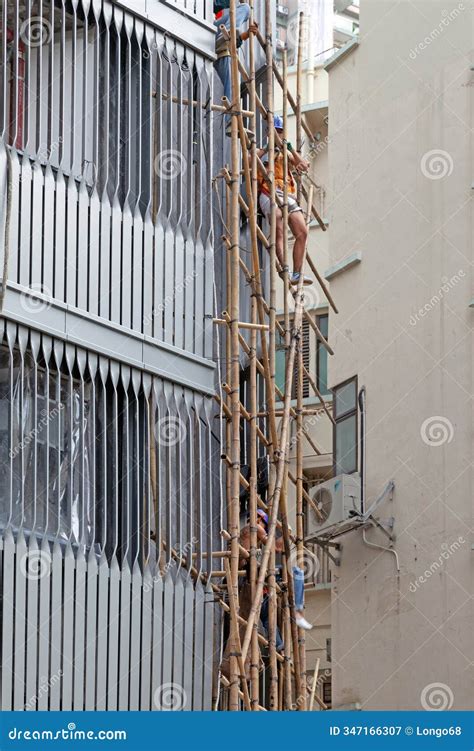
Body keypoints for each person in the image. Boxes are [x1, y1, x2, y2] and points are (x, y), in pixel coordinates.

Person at [240, 509, 313, 640]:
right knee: (297, 573)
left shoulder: (247, 533)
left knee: (268, 617)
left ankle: (279, 647)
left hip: (250, 574)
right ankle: (298, 611)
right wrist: (287, 531)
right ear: (259, 520)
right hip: (252, 572)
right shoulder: (255, 527)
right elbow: (277, 548)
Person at [257, 115, 313, 286]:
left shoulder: (286, 153)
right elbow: (249, 161)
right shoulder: (260, 151)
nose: (278, 135)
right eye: (276, 131)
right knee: (279, 229)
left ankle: (297, 273)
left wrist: (290, 150)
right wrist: (267, 149)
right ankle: (284, 268)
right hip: (269, 192)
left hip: (287, 194)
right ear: (268, 133)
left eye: (280, 132)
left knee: (302, 232)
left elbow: (303, 166)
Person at [213, 1, 259, 109]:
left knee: (233, 86)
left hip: (217, 45)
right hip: (205, 32)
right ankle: (228, 34)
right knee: (246, 8)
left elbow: (233, 43)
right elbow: (215, 3)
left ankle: (229, 121)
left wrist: (245, 35)